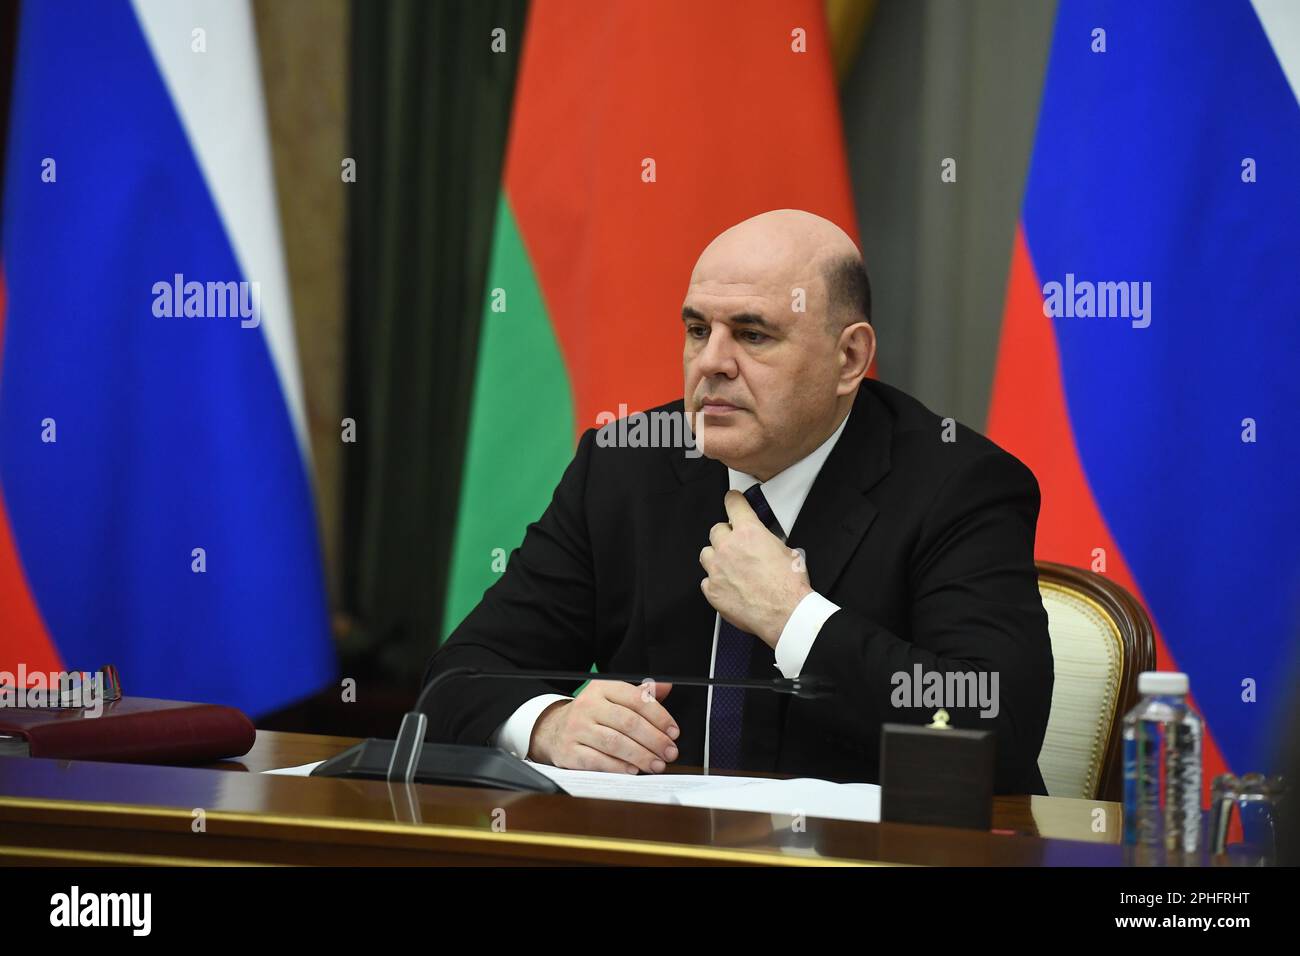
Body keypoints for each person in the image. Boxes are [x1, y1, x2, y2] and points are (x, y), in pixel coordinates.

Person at [423, 209, 1054, 793]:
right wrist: (550, 724)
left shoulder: (959, 486)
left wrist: (795, 620)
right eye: (697, 330)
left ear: (849, 357)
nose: (711, 363)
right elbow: (459, 679)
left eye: (752, 335)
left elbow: (995, 725)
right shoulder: (626, 466)